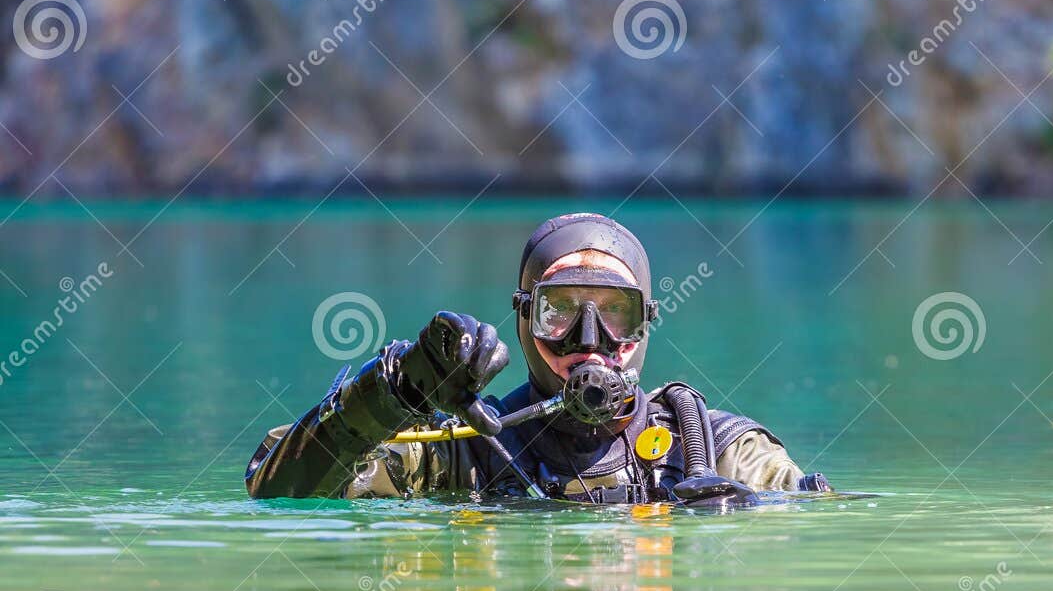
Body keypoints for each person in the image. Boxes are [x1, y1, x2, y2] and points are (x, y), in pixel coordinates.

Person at [245, 213, 829, 505]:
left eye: (614, 314)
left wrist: (739, 509)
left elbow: (820, 517)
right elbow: (275, 491)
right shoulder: (463, 453)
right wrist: (394, 393)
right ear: (525, 319)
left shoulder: (717, 450)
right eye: (561, 312)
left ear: (645, 322)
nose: (589, 339)